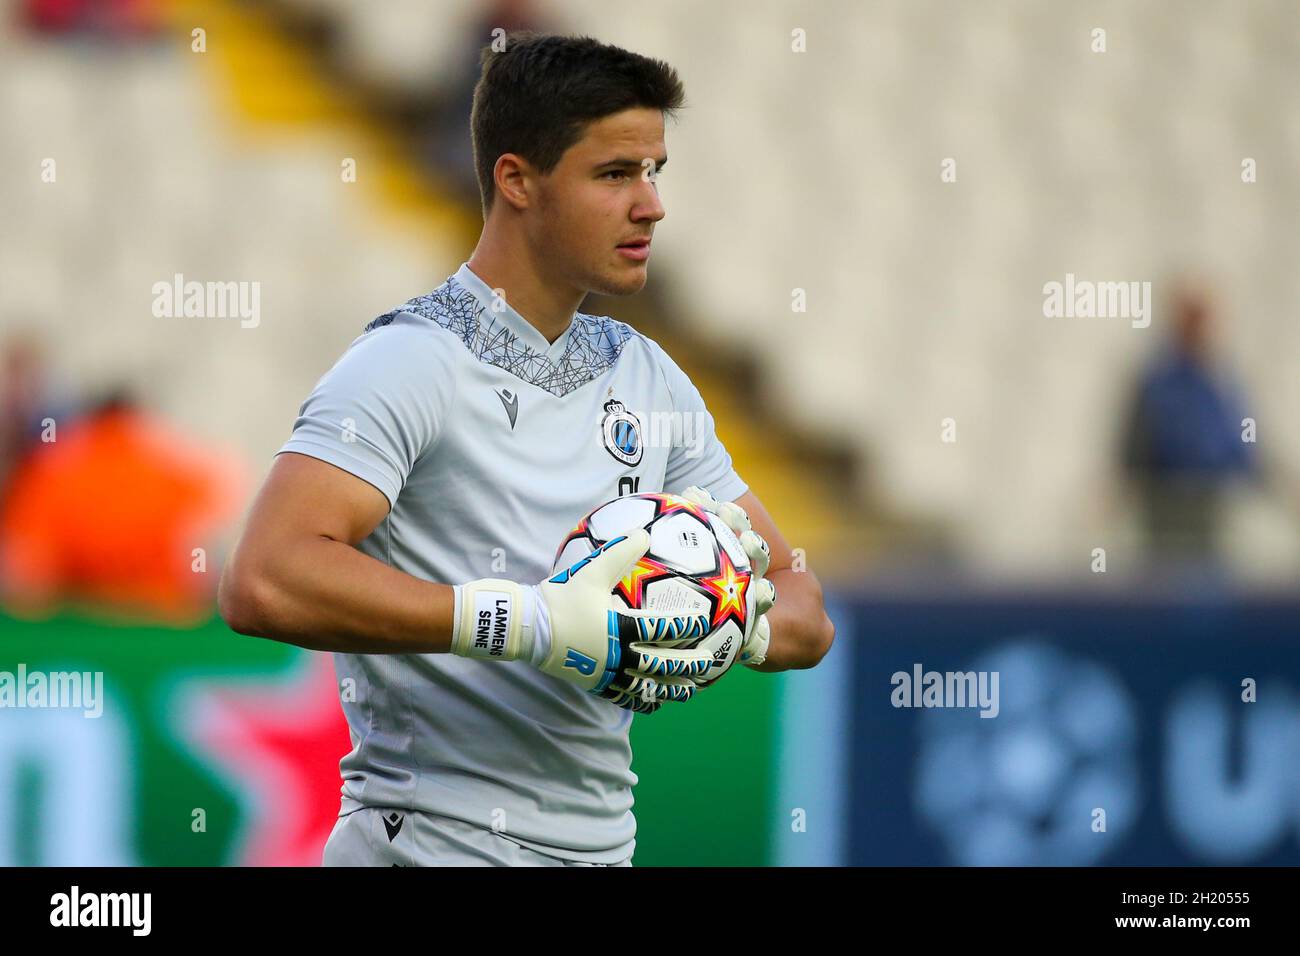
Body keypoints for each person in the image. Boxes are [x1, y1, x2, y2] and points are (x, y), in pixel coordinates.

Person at [218, 32, 835, 868]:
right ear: (516, 180)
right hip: (427, 846)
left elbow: (800, 602)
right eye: (615, 174)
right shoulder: (411, 362)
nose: (650, 205)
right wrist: (527, 622)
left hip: (600, 850)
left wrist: (726, 625)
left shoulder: (646, 376)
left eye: (654, 172)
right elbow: (263, 579)